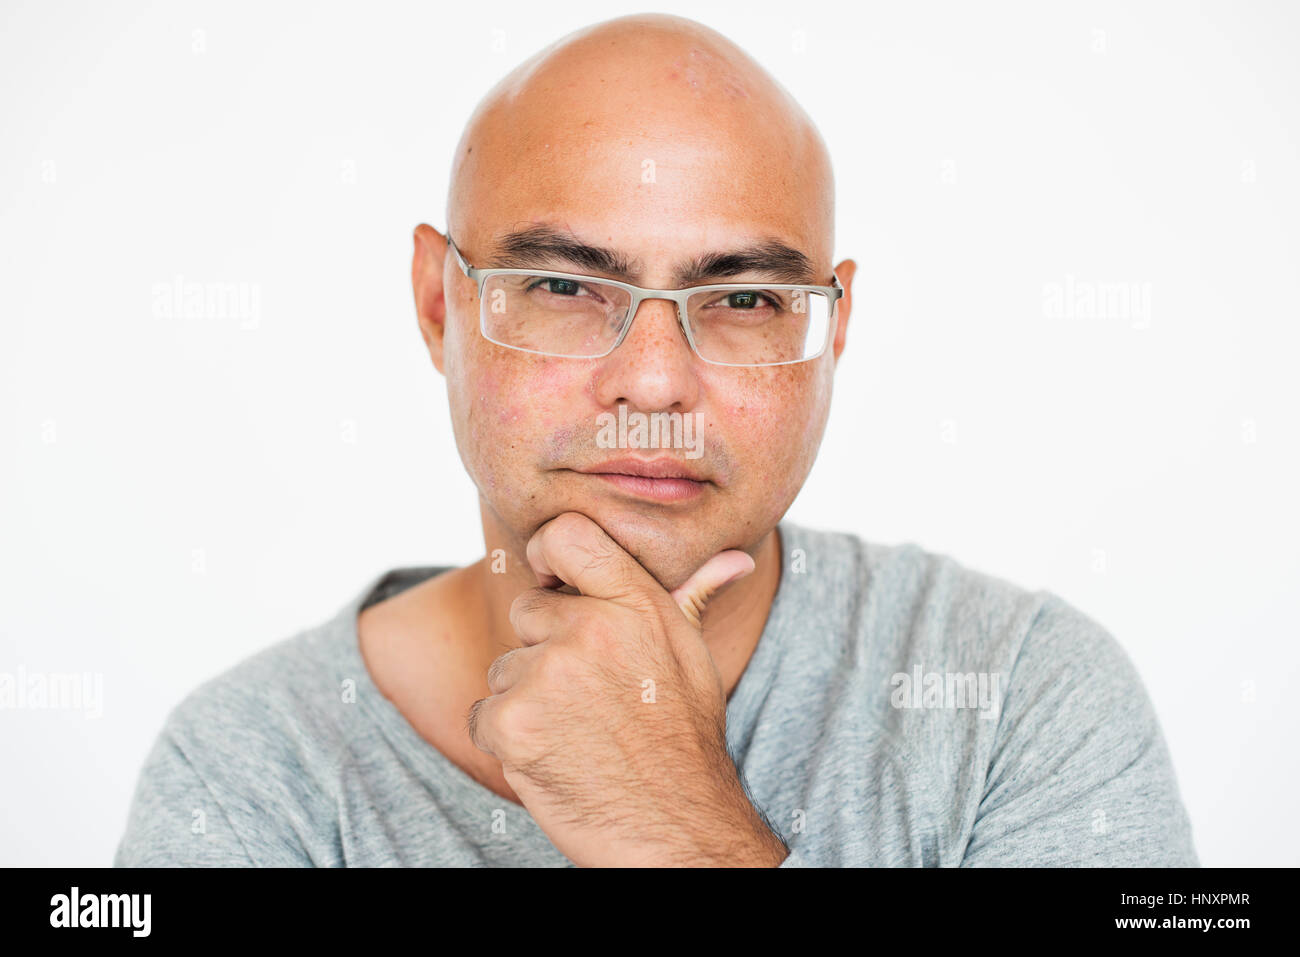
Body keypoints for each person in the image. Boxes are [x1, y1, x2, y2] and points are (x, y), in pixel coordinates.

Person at [114, 13, 1197, 867]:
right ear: (438, 307)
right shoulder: (248, 772)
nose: (654, 381)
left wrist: (675, 828)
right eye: (562, 286)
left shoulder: (1019, 698)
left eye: (743, 302)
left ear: (832, 334)